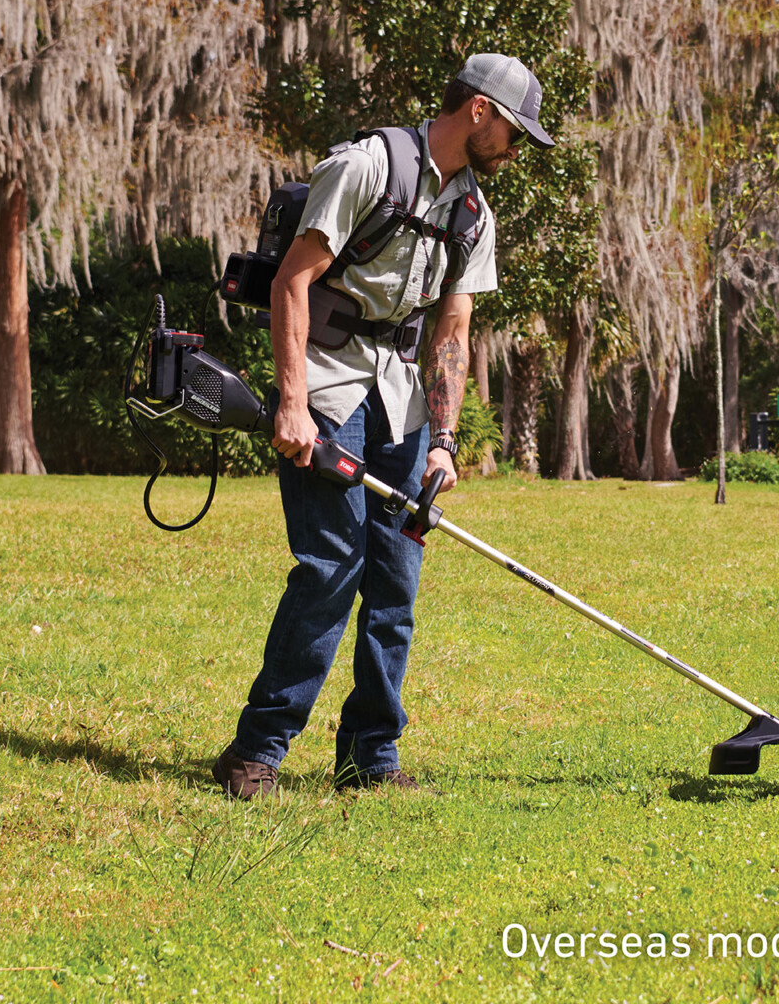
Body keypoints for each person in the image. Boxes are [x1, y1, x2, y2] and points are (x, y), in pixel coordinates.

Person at [212, 53, 555, 799]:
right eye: (515, 131)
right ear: (480, 111)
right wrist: (292, 402)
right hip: (328, 386)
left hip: (401, 402)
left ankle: (370, 758)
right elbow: (291, 281)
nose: (515, 149)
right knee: (331, 570)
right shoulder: (367, 166)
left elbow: (453, 331)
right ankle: (256, 751)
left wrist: (445, 442)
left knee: (396, 581)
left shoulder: (474, 215)